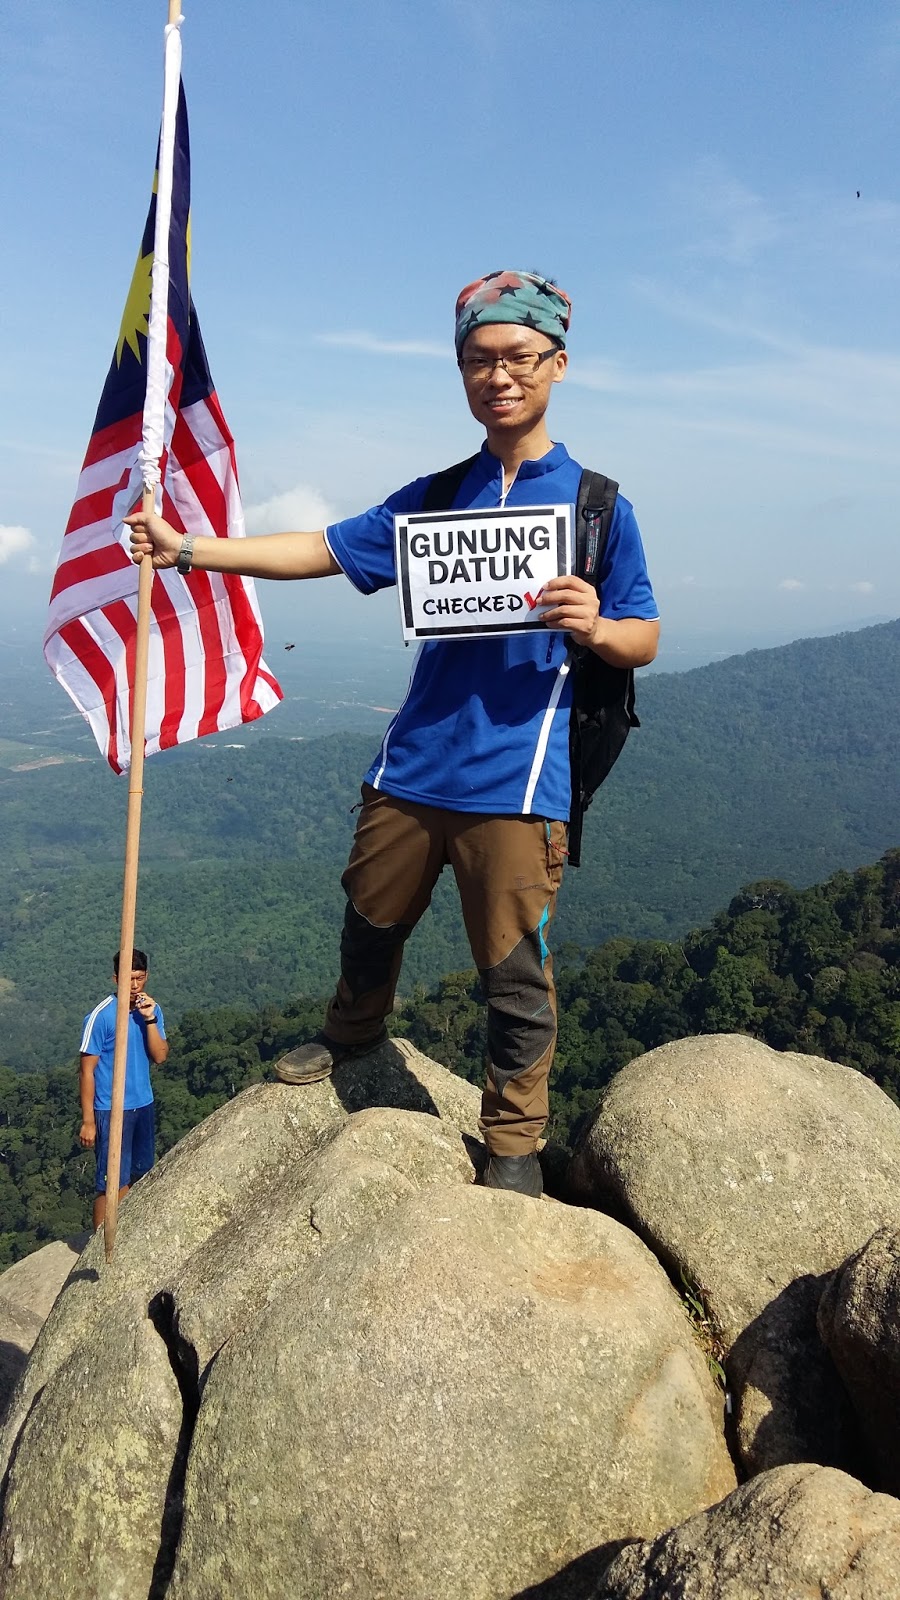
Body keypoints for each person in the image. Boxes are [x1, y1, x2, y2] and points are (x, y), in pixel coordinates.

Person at [127, 270, 659, 1199]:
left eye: (519, 357)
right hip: (411, 769)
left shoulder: (598, 507)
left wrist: (597, 626)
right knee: (369, 919)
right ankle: (352, 1037)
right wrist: (191, 550)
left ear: (558, 364)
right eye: (479, 360)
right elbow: (323, 549)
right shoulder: (439, 494)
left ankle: (513, 1141)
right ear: (462, 372)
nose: (499, 376)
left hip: (519, 779)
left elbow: (643, 633)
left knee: (515, 974)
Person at [79, 947, 168, 1227]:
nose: (135, 985)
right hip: (111, 1107)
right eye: (129, 979)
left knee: (141, 1174)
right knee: (111, 1182)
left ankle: (126, 1232)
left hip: (143, 1103)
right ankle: (99, 1241)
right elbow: (86, 1071)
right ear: (116, 979)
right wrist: (88, 1121)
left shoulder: (151, 1010)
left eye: (140, 978)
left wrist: (149, 1019)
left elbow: (160, 1056)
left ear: (146, 976)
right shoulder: (101, 1016)